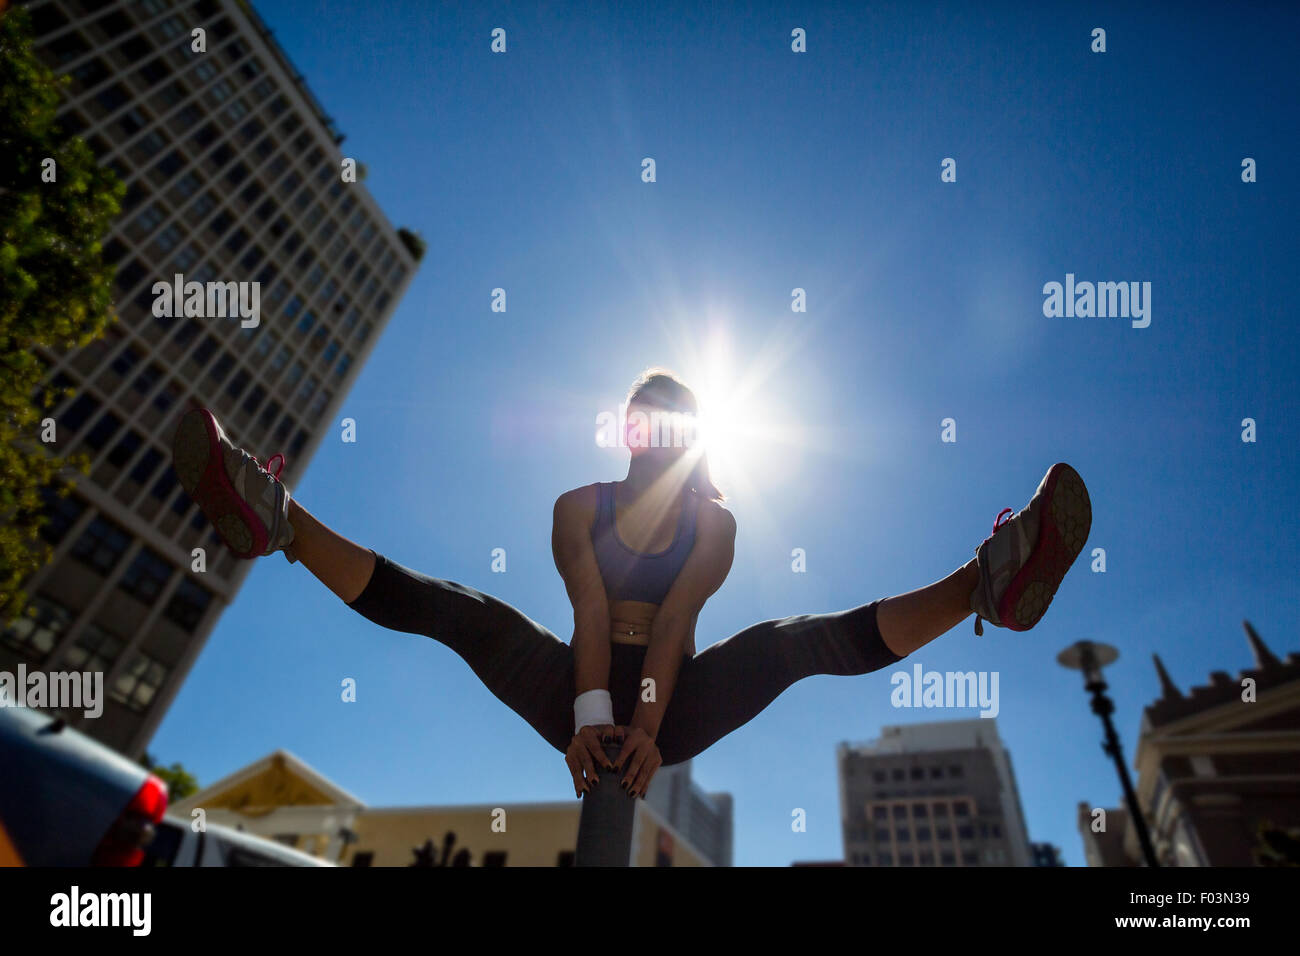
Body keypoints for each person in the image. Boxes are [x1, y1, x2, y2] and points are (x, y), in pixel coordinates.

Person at [171, 367, 1091, 801]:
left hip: (673, 697)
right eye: (644, 419)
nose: (656, 432)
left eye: (674, 423)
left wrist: (645, 734)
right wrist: (587, 724)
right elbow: (592, 609)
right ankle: (278, 522)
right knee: (473, 615)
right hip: (574, 679)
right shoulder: (579, 504)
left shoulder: (715, 523)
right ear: (626, 428)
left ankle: (987, 584)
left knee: (785, 645)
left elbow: (675, 620)